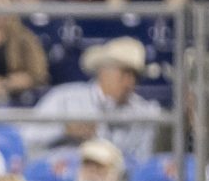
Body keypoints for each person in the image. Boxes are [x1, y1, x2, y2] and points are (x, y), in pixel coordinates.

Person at [28, 37, 163, 163]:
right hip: (63, 174)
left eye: (135, 76)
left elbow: (144, 159)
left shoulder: (145, 113)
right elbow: (29, 137)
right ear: (103, 72)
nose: (130, 82)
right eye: (124, 73)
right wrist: (65, 130)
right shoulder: (63, 98)